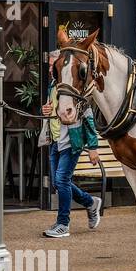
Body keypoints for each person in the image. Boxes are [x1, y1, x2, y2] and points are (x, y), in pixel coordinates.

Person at [39, 52, 104, 239]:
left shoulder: (75, 87)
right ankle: (90, 202)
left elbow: (89, 116)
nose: (52, 70)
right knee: (59, 183)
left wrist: (93, 147)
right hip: (55, 140)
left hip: (71, 141)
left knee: (61, 181)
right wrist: (45, 109)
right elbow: (50, 108)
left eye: (55, 66)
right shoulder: (54, 86)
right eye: (52, 67)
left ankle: (63, 224)